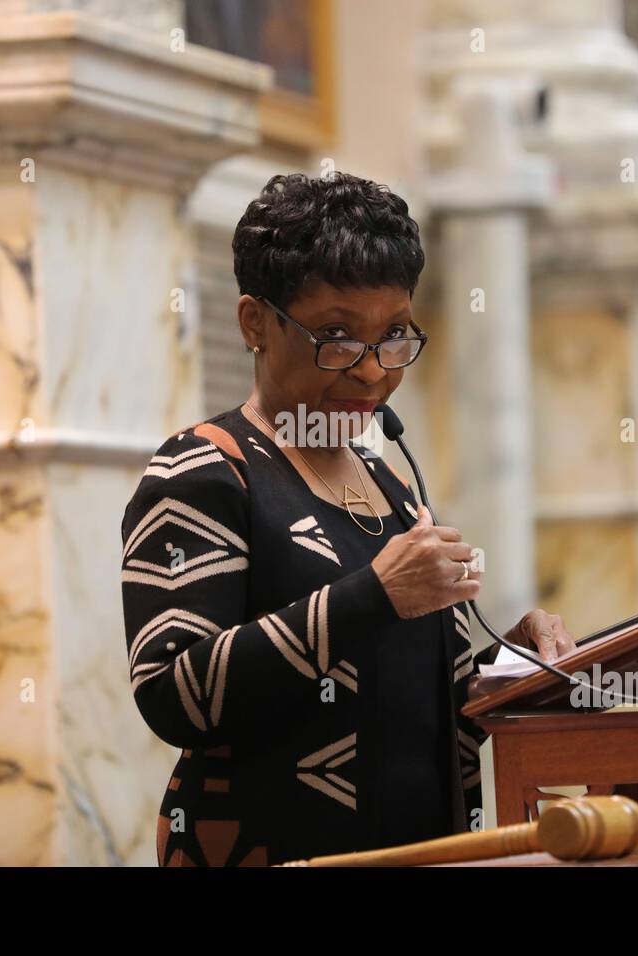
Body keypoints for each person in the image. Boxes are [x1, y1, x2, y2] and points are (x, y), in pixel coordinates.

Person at [120, 171, 576, 866]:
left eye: (394, 336)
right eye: (336, 335)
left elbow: (424, 712)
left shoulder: (389, 485)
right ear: (255, 323)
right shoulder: (205, 473)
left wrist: (518, 664)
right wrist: (371, 596)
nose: (371, 372)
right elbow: (171, 693)